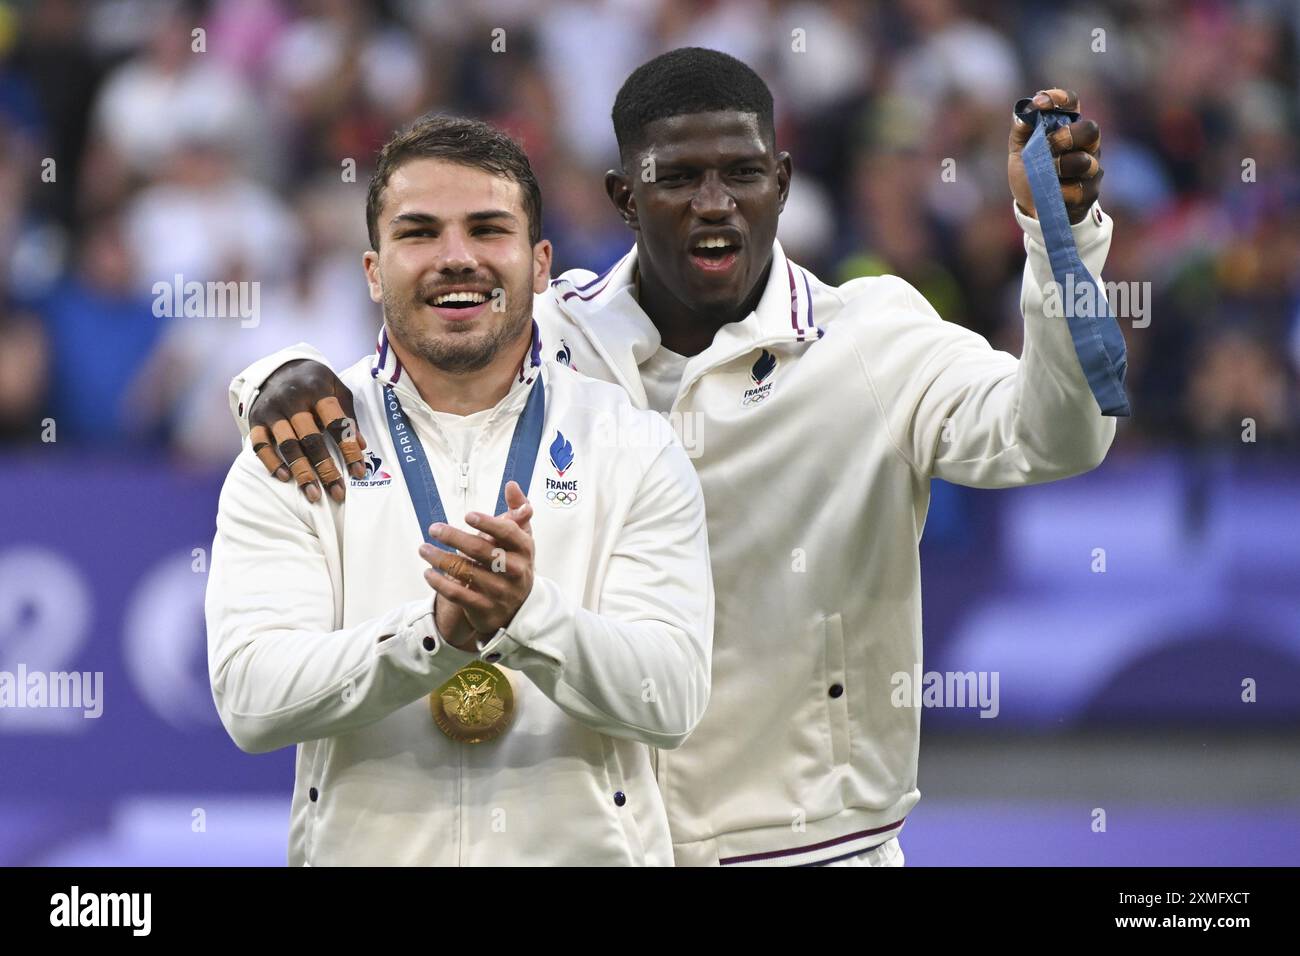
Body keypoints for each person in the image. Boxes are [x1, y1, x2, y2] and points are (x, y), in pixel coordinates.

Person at [226, 48, 1116, 866]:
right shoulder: (559, 328)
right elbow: (423, 347)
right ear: (623, 197)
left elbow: (1058, 437)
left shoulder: (872, 340)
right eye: (678, 177)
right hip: (610, 844)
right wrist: (271, 379)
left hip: (813, 848)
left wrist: (1059, 248)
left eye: (741, 173)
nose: (715, 202)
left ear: (784, 181)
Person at [204, 114, 713, 866]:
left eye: (487, 229)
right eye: (418, 233)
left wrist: (529, 619)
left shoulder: (631, 444)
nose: (456, 258)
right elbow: (251, 699)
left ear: (540, 264)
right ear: (374, 269)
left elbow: (669, 700)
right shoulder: (301, 444)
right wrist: (432, 639)